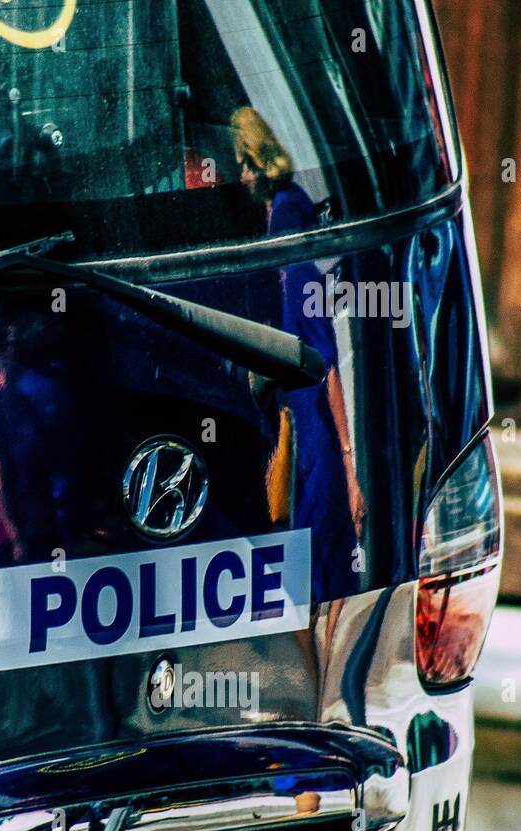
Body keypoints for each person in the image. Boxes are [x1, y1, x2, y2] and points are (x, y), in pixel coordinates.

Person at [231, 107, 364, 601]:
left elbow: (324, 363)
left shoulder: (296, 261)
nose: (240, 176)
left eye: (245, 163)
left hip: (319, 445)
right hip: (302, 435)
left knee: (324, 582)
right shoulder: (286, 256)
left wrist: (349, 467)